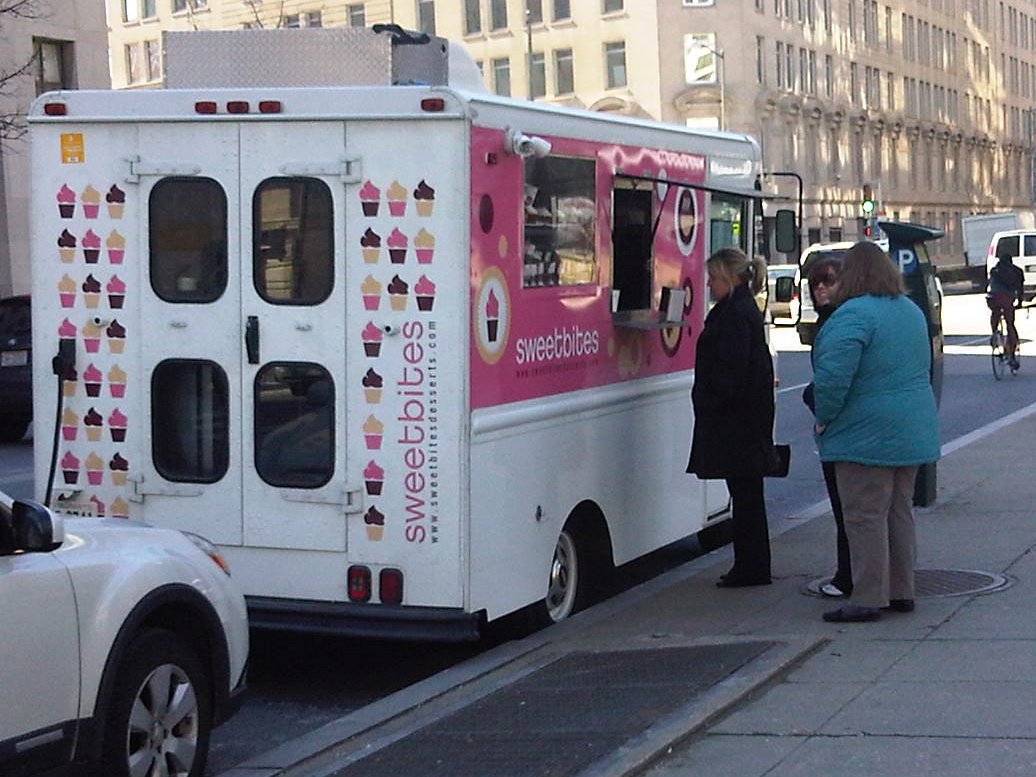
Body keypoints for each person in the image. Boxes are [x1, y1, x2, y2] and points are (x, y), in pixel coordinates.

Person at [812, 242, 940, 622]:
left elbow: (833, 380)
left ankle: (868, 597)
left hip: (865, 433)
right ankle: (902, 590)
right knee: (899, 512)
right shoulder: (909, 311)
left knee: (865, 516)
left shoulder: (851, 316)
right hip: (912, 428)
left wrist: (823, 417)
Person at [688, 247, 775, 587]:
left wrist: (709, 399)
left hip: (737, 422)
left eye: (713, 278)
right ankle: (752, 565)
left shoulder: (735, 314)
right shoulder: (741, 308)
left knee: (746, 496)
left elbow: (731, 371)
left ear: (730, 278)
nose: (709, 284)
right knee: (747, 495)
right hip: (746, 420)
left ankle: (750, 567)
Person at [801, 258, 852, 599]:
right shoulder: (827, 321)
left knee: (847, 508)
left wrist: (818, 407)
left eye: (828, 282)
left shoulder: (837, 322)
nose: (820, 288)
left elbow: (832, 383)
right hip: (847, 428)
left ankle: (847, 577)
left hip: (841, 429)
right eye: (815, 282)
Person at [987, 244, 1024, 370]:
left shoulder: (994, 270)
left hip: (992, 298)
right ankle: (1012, 355)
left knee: (995, 312)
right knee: (1010, 324)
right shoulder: (1017, 271)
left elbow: (989, 285)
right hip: (1007, 299)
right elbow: (1020, 289)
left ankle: (994, 333)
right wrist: (1019, 302)